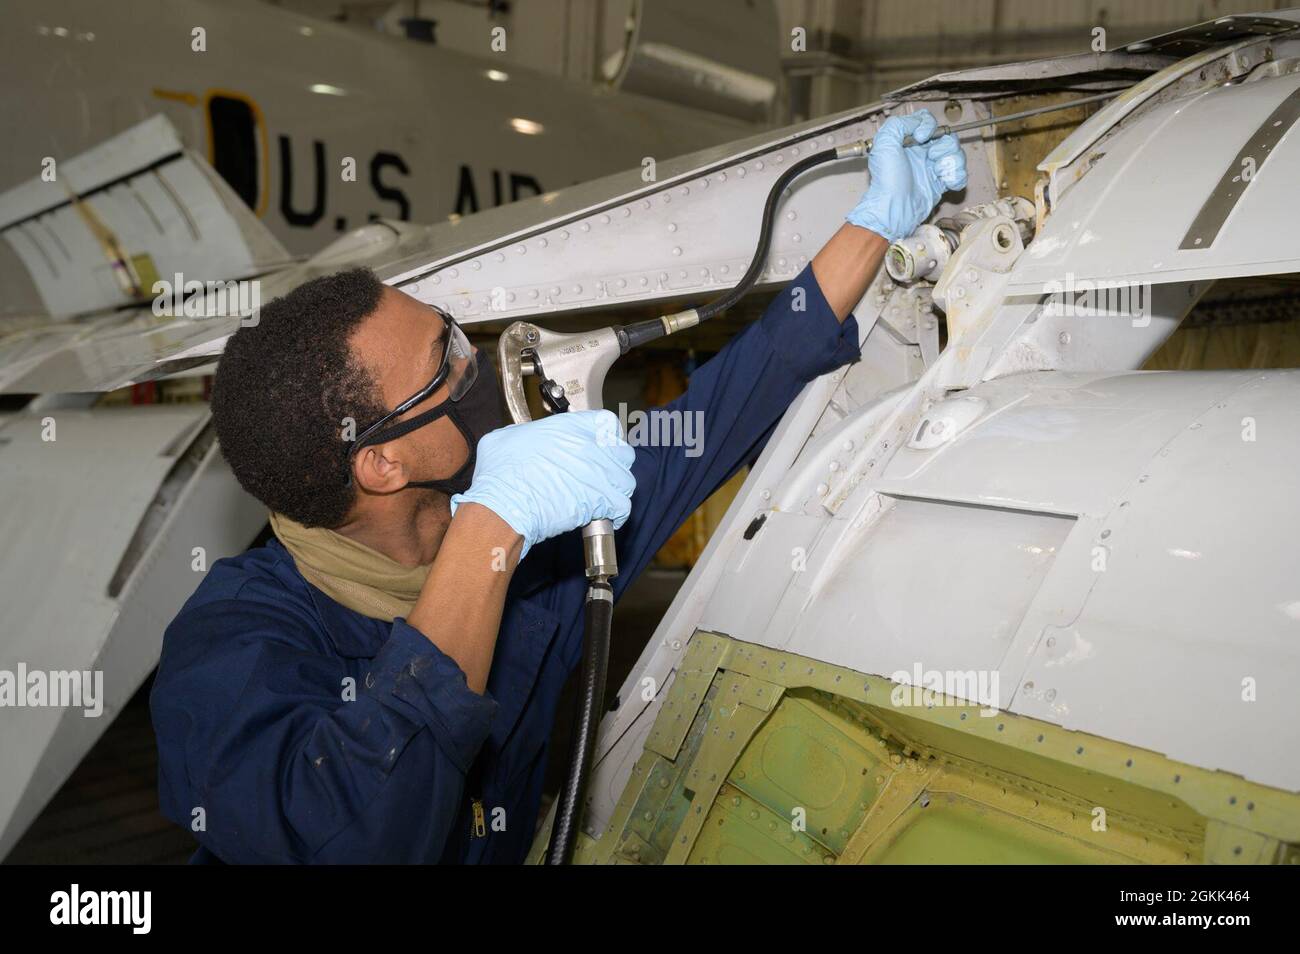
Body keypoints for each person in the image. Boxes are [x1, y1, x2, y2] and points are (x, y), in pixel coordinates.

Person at [151, 111, 966, 863]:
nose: (475, 363)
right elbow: (362, 831)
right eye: (446, 365)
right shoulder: (229, 650)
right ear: (382, 463)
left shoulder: (543, 554)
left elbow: (720, 412)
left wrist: (872, 224)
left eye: (453, 334)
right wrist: (489, 535)